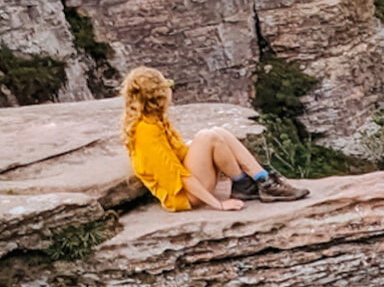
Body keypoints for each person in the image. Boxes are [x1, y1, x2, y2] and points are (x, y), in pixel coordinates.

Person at [121, 66, 309, 212]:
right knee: (207, 137)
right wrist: (218, 205)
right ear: (158, 95)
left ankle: (259, 180)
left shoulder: (154, 121)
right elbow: (179, 178)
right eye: (167, 85)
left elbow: (180, 154)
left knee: (217, 132)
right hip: (182, 197)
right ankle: (255, 185)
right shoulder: (146, 132)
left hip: (188, 187)